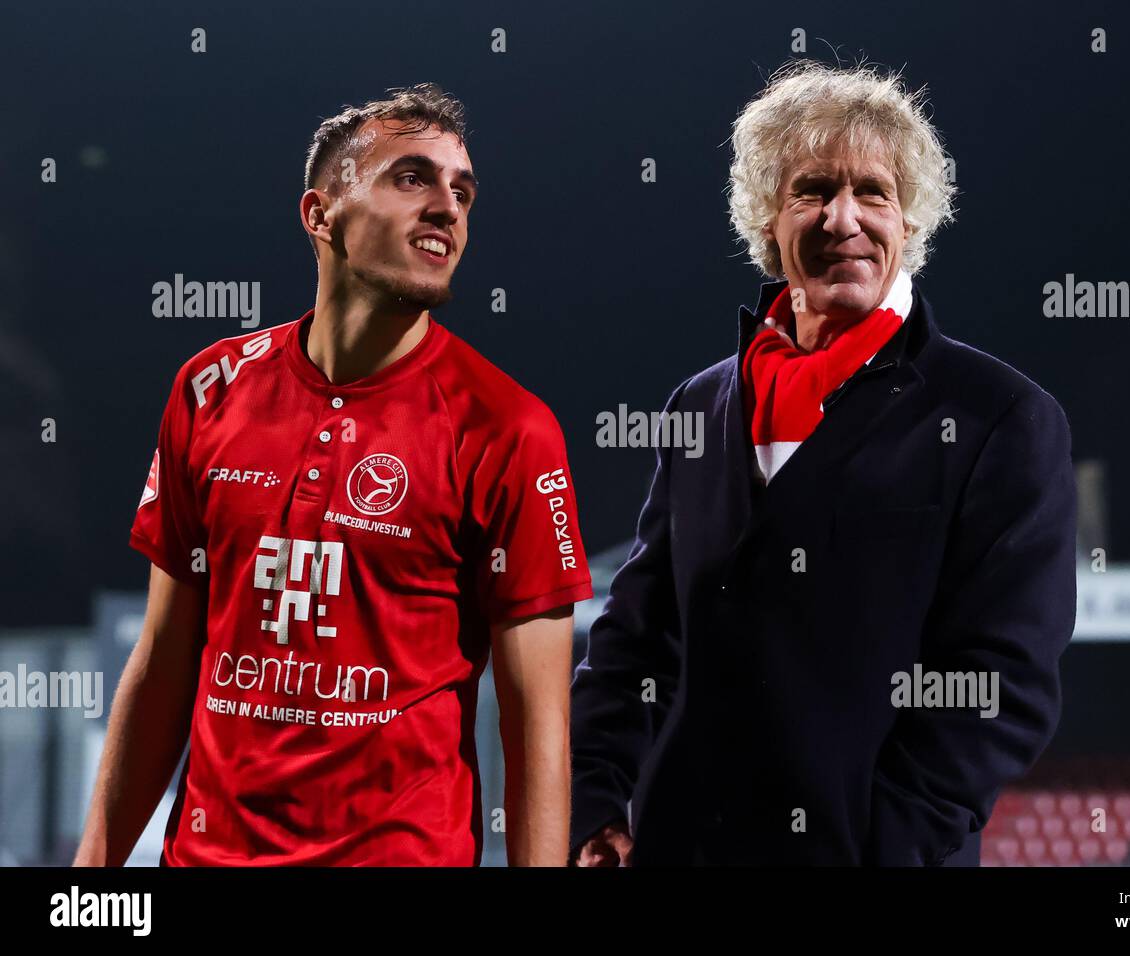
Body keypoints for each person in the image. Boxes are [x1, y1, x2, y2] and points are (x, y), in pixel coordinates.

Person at [570, 60, 1078, 866]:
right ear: (767, 220)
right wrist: (594, 797)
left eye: (873, 192)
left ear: (910, 221)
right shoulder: (699, 407)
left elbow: (1000, 681)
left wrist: (888, 842)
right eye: (811, 189)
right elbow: (638, 635)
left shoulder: (998, 418)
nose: (843, 218)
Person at [75, 84, 591, 866]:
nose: (448, 208)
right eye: (411, 177)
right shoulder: (210, 387)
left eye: (463, 190)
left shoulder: (510, 429)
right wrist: (94, 878)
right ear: (320, 215)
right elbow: (163, 664)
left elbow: (538, 734)